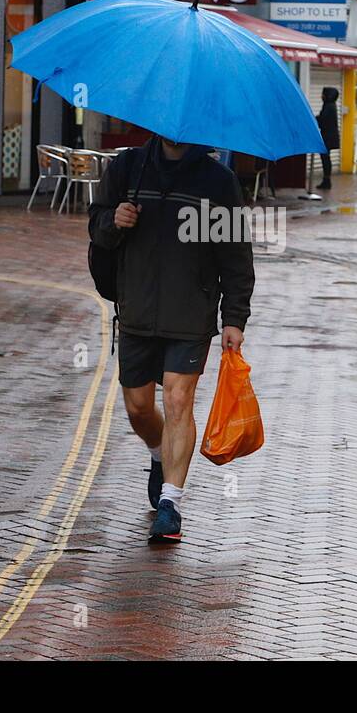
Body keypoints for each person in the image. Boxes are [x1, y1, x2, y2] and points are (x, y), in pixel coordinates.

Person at [88, 134, 255, 543]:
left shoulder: (218, 182)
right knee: (138, 406)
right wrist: (115, 220)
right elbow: (96, 227)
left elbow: (235, 254)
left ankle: (171, 503)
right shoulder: (128, 168)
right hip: (137, 309)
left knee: (179, 401)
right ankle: (159, 455)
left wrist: (234, 317)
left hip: (191, 313)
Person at [316, 86, 340, 190]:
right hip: (329, 136)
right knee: (326, 158)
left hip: (328, 137)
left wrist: (315, 119)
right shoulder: (331, 105)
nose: (321, 96)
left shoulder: (329, 106)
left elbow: (323, 120)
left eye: (323, 94)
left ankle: (326, 181)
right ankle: (326, 180)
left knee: (325, 158)